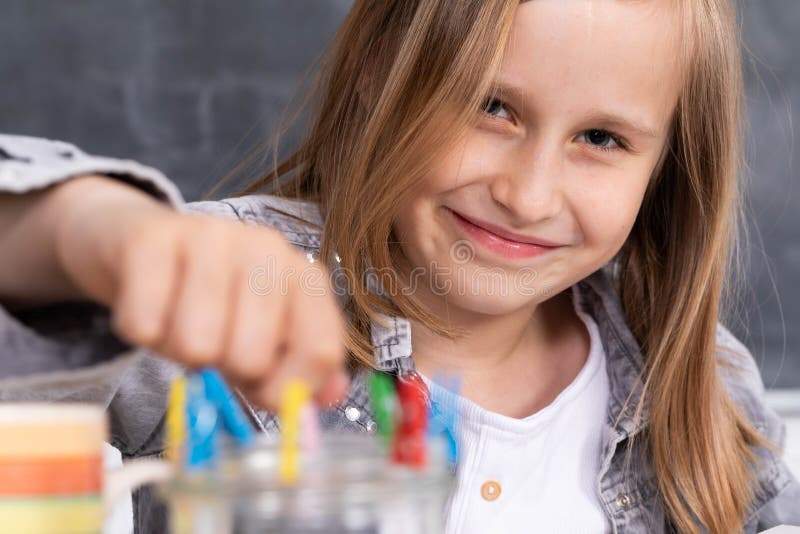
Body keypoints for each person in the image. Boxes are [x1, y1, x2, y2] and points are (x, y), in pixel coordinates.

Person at [0, 1, 798, 532]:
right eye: (491, 106)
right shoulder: (221, 296)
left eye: (601, 139)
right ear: (387, 81)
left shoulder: (699, 383)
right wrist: (94, 233)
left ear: (665, 169)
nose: (526, 195)